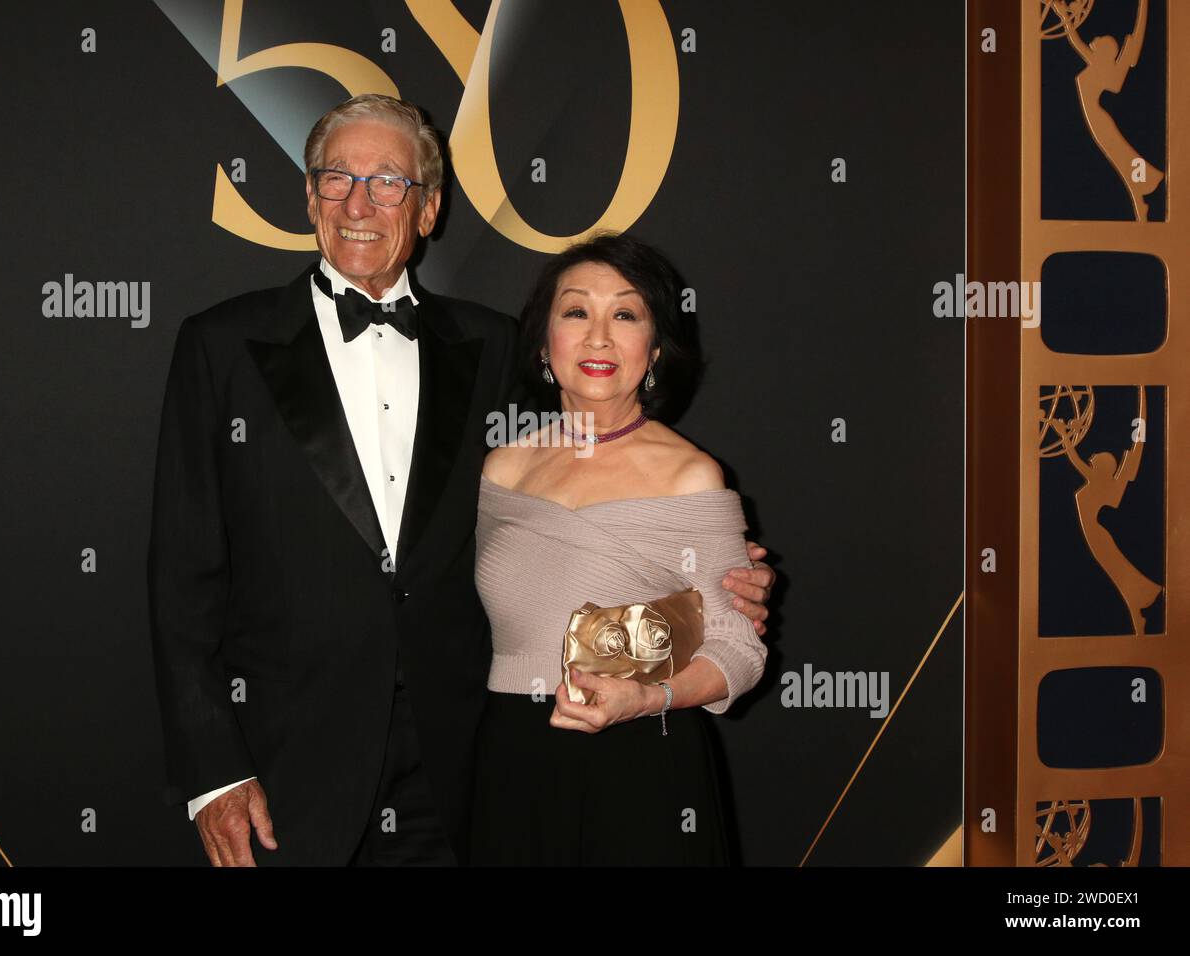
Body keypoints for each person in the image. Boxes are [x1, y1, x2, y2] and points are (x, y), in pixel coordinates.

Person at [147, 93, 775, 867]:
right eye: (337, 177)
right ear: (309, 195)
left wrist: (721, 585)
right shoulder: (221, 346)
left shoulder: (491, 349)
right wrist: (214, 773)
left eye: (389, 182)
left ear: (430, 208)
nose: (359, 202)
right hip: (283, 776)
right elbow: (182, 579)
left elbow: (582, 513)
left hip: (463, 776)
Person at [470, 232, 766, 865]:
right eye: (576, 311)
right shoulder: (501, 470)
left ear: (654, 349)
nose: (599, 336)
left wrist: (644, 696)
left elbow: (738, 648)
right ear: (545, 342)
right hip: (513, 762)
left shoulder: (691, 476)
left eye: (625, 314)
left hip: (641, 761)